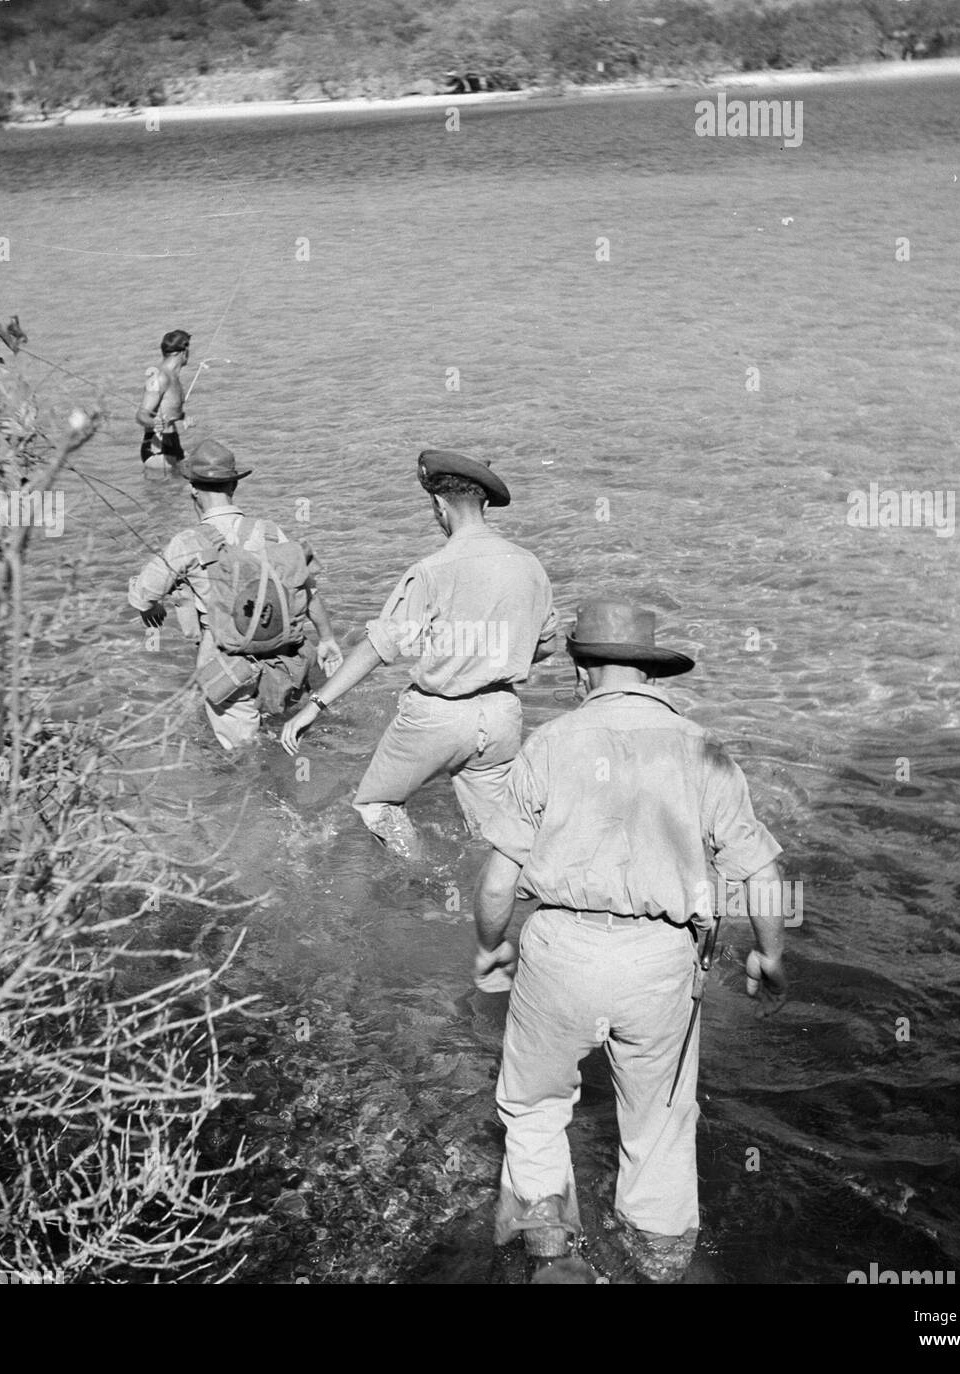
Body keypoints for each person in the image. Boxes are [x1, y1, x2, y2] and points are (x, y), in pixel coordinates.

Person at [472, 597, 789, 1281]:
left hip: (560, 949)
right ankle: (659, 1263)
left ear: (582, 671)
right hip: (661, 960)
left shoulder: (550, 743)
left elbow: (498, 884)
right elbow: (761, 870)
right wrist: (769, 953)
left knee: (533, 1106)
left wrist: (493, 944)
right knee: (661, 1128)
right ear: (653, 675)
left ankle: (552, 1257)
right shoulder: (702, 747)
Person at [279, 449, 557, 857]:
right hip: (502, 717)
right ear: (484, 505)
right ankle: (498, 899)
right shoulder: (529, 565)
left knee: (375, 805)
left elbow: (379, 646)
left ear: (440, 505)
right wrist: (491, 657)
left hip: (439, 716)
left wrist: (315, 705)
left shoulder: (432, 570)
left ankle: (422, 883)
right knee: (496, 835)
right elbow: (547, 643)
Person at [128, 439, 343, 747]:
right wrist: (326, 639)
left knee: (243, 757)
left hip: (227, 665)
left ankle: (250, 793)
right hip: (285, 661)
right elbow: (308, 591)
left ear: (192, 489)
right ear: (234, 486)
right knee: (291, 740)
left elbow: (144, 593)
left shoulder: (188, 541)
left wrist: (150, 609)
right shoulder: (270, 532)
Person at [136, 329, 190, 468]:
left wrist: (182, 417)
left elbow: (167, 409)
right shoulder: (159, 378)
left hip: (173, 444)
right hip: (156, 449)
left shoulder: (174, 378)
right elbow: (141, 415)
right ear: (184, 351)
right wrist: (153, 422)